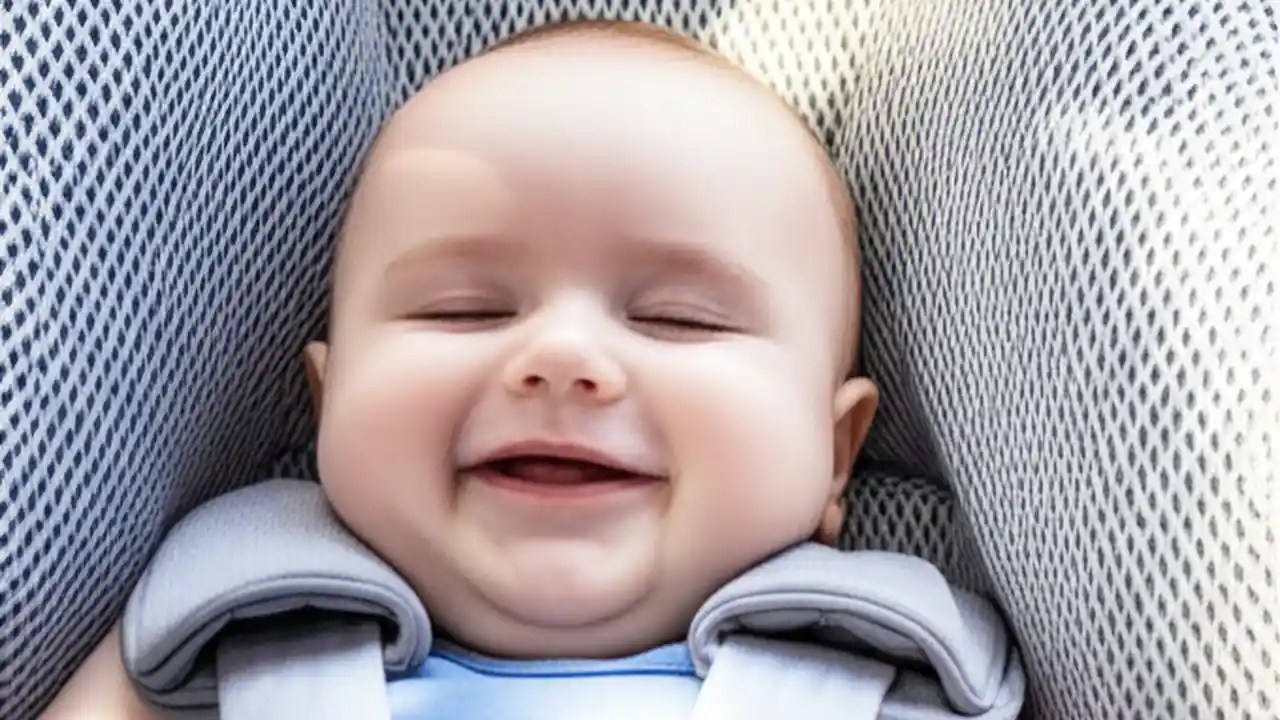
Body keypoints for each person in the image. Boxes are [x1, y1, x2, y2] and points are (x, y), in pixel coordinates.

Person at [44, 18, 878, 718]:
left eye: (676, 319)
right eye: (463, 308)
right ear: (327, 401)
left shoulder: (897, 680)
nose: (559, 357)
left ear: (834, 450)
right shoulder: (203, 646)